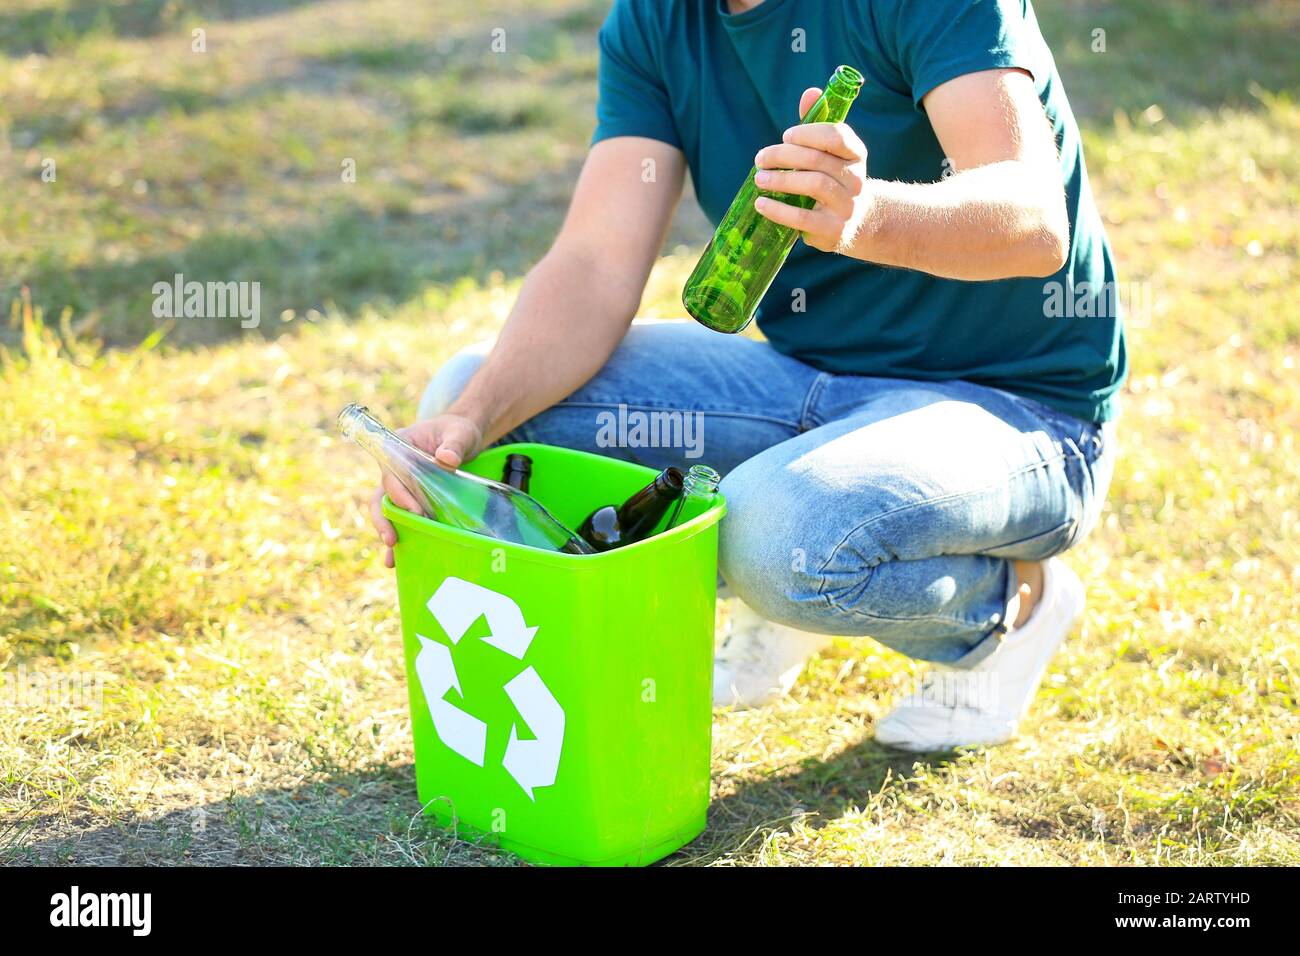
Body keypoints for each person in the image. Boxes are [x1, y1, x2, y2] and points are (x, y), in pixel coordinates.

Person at [370, 0, 1124, 751]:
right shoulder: (654, 21)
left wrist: (866, 216)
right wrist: (471, 419)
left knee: (776, 533)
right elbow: (595, 263)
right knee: (486, 408)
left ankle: (1015, 604)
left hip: (1022, 408)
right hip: (811, 378)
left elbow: (1031, 220)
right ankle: (800, 535)